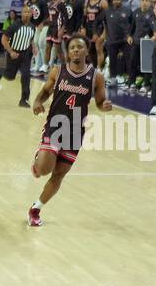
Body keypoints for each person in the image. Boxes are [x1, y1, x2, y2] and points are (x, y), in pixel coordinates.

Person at [27, 35, 112, 227]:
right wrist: (38, 101)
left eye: (79, 47)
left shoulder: (96, 77)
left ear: (86, 50)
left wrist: (103, 105)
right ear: (68, 51)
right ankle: (38, 162)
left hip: (75, 132)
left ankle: (35, 209)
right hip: (55, 126)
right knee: (44, 169)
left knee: (58, 175)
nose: (75, 50)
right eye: (72, 47)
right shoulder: (58, 71)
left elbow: (99, 101)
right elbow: (46, 91)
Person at [0, 5, 37, 105]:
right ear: (21, 14)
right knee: (10, 77)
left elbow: (31, 39)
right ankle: (2, 71)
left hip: (25, 54)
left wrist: (34, 47)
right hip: (13, 53)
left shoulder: (32, 27)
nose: (26, 14)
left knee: (26, 76)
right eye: (25, 12)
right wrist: (11, 52)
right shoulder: (15, 25)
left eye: (28, 12)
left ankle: (23, 100)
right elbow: (4, 39)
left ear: (31, 14)